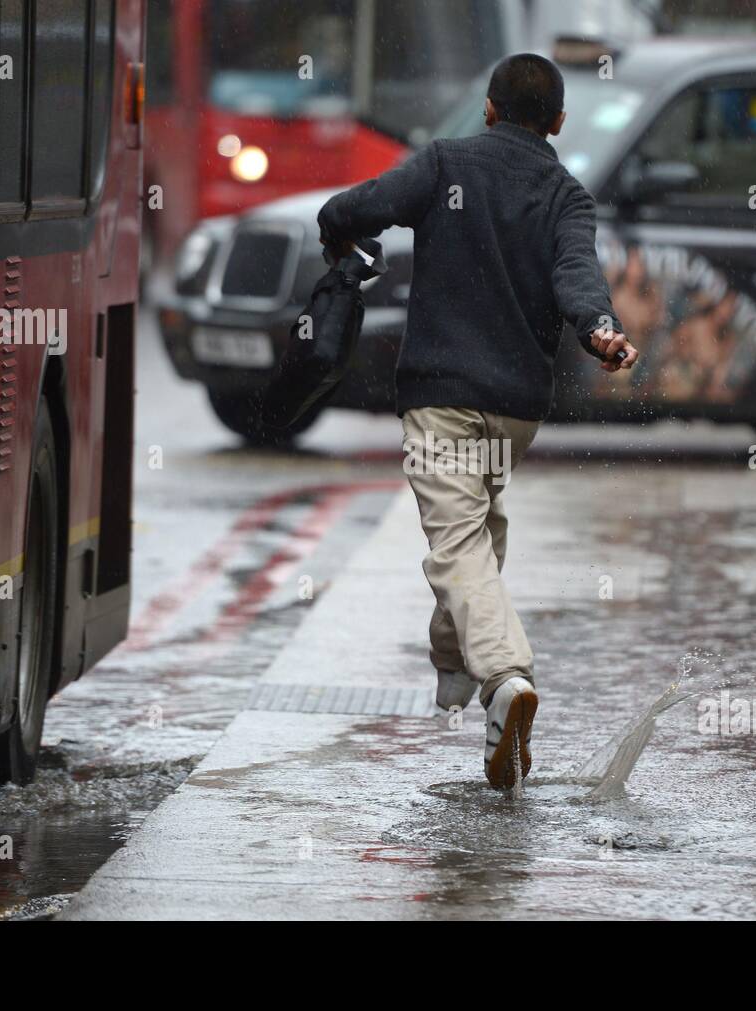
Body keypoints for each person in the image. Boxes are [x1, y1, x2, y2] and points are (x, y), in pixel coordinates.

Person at [317, 53, 637, 788]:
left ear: (489, 108)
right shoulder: (568, 196)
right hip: (515, 412)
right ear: (558, 122)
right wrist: (599, 329)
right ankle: (454, 667)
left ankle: (503, 679)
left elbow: (362, 205)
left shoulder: (445, 162)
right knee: (477, 535)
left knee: (458, 543)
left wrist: (336, 226)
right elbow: (577, 277)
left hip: (442, 396)